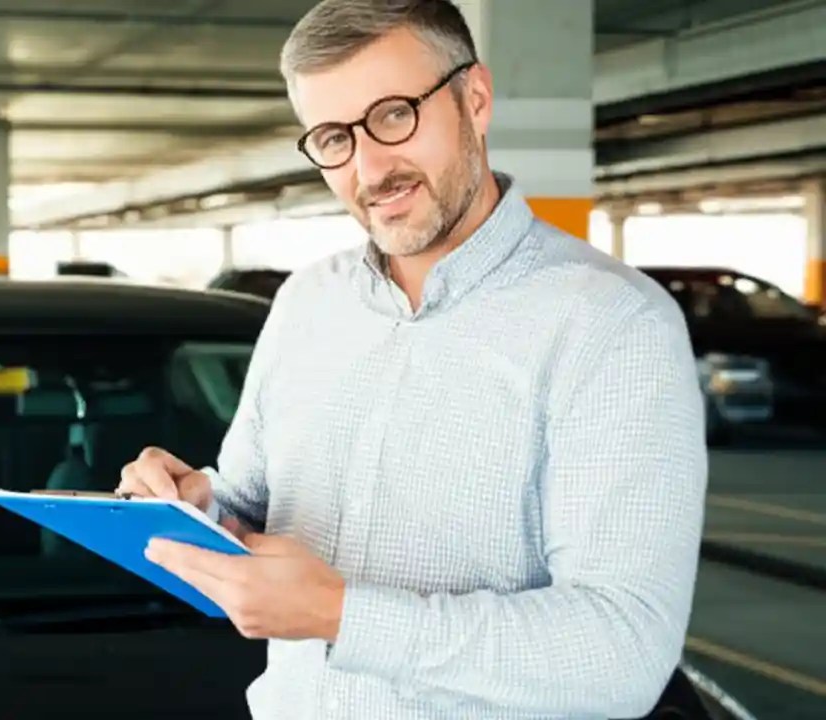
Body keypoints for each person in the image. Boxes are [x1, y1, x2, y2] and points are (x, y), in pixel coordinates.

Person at [118, 1, 708, 718]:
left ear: (476, 99)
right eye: (334, 137)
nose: (369, 168)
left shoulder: (613, 324)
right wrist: (195, 503)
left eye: (394, 115)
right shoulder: (307, 303)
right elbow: (249, 500)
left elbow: (621, 653)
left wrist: (344, 615)